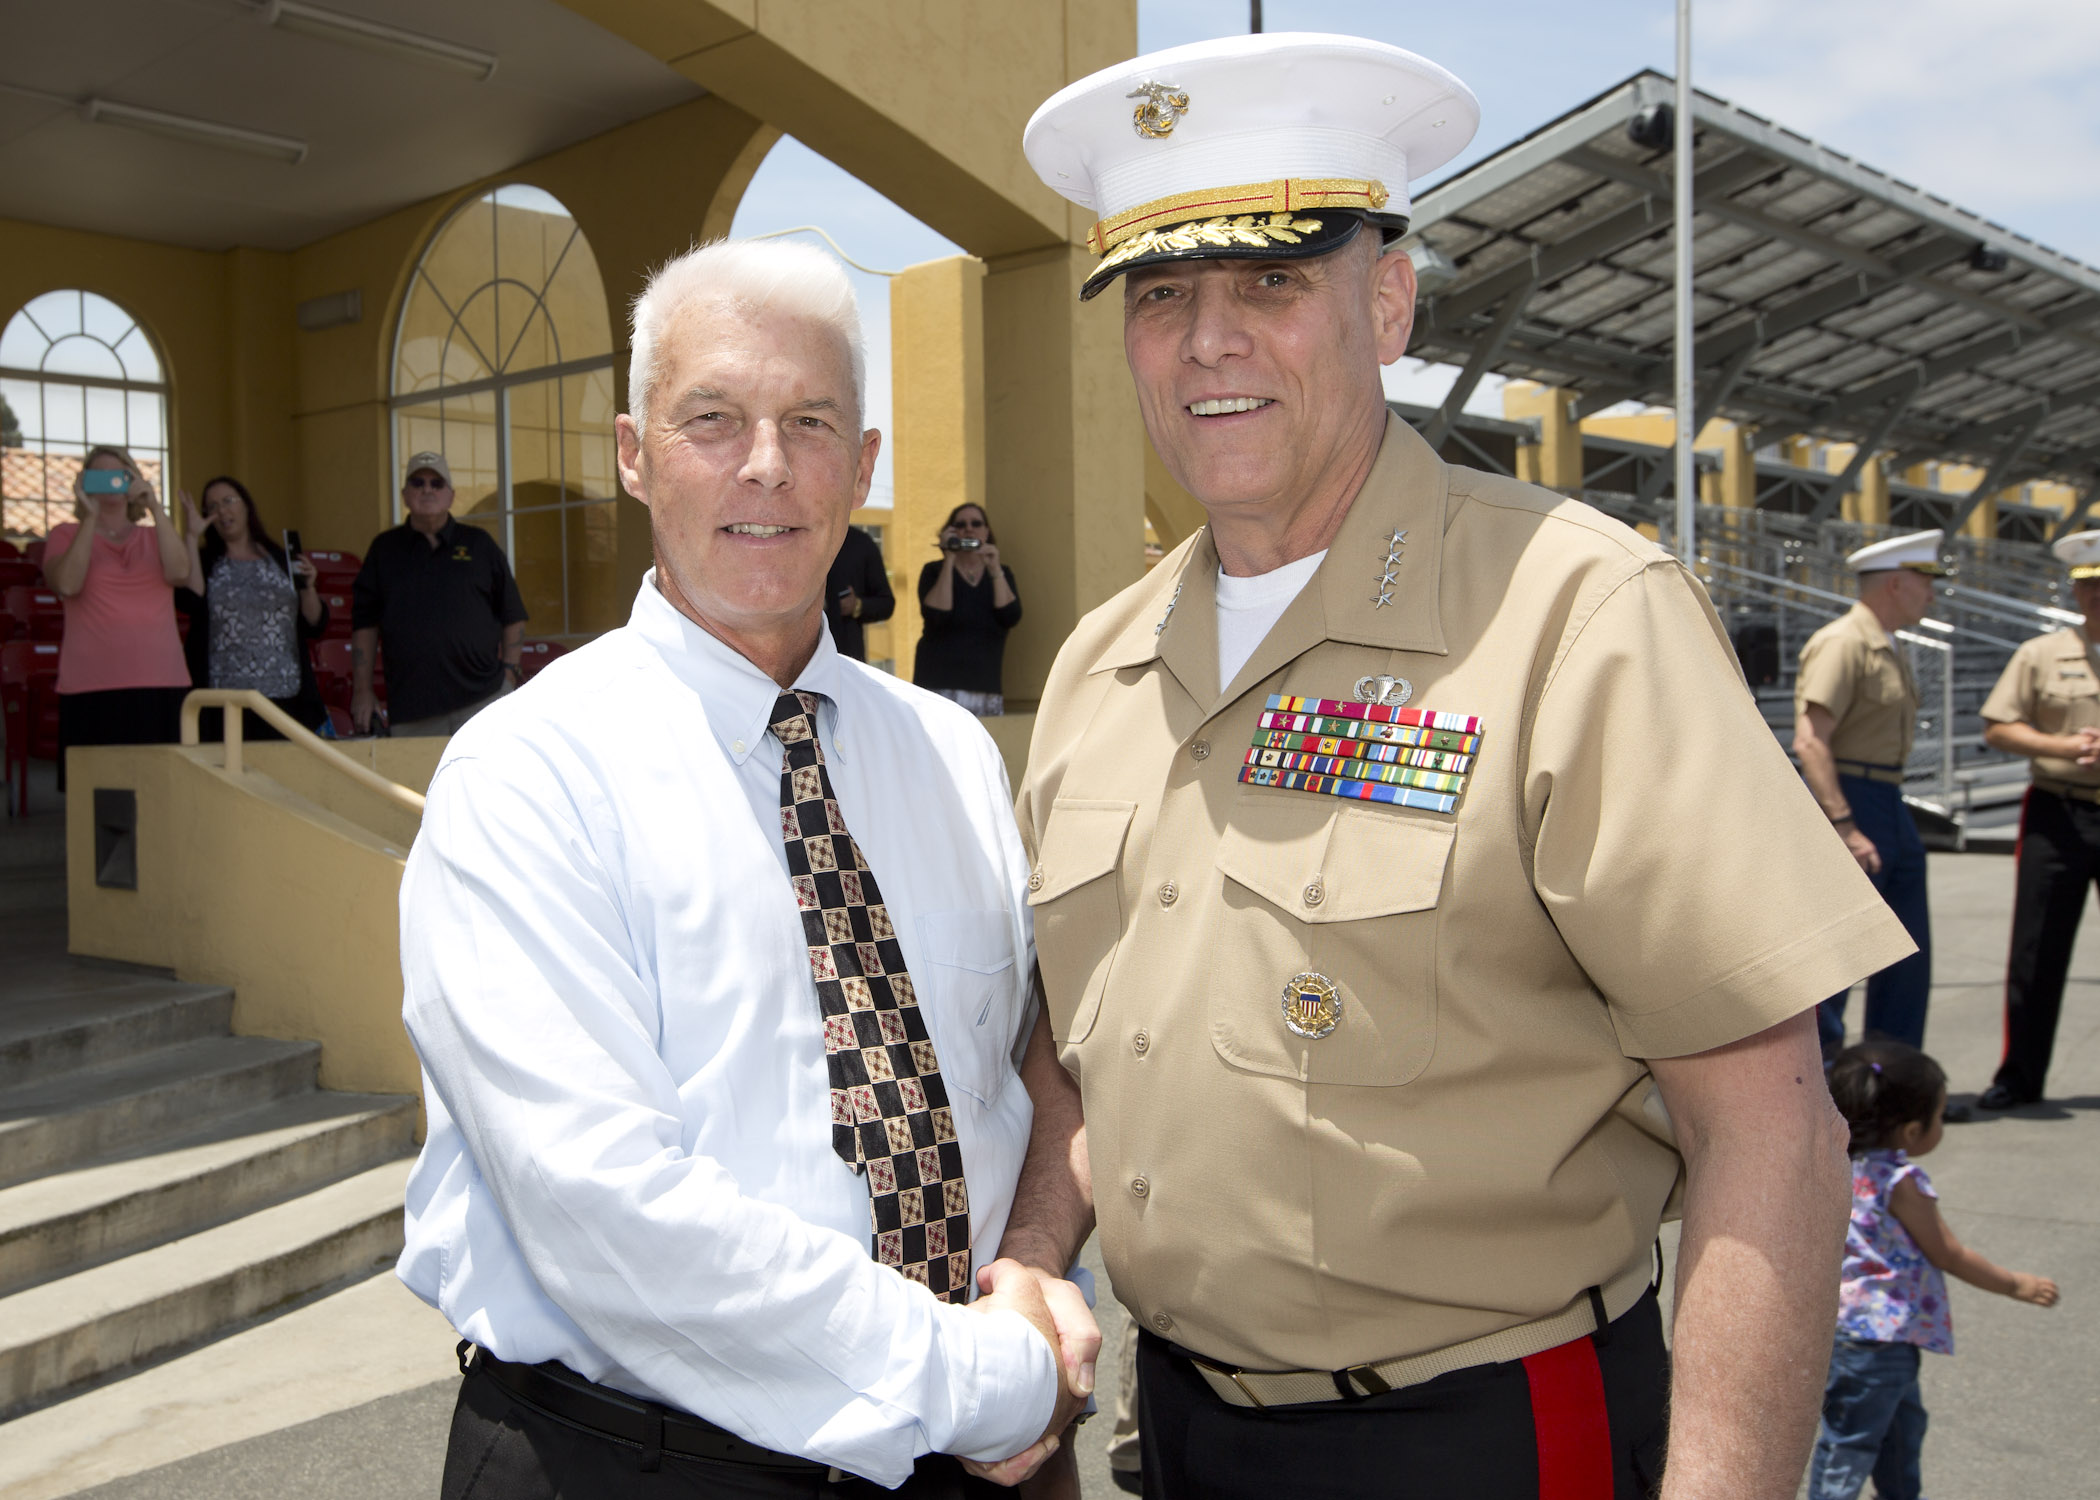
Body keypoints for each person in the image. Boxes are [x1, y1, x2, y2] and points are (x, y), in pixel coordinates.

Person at [1002, 32, 1916, 1500]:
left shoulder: (1577, 616)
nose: (1208, 340)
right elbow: (1084, 1049)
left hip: (1482, 1438)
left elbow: (1768, 1126)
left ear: (1389, 299)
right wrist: (1033, 1256)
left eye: (1270, 283)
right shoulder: (1100, 665)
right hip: (1174, 1434)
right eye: (1161, 295)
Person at [396, 238, 1095, 1498]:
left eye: (811, 422)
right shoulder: (524, 777)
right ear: (632, 453)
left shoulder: (951, 754)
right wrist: (987, 1378)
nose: (765, 465)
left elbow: (1037, 1054)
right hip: (646, 1461)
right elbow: (605, 1215)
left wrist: (1037, 1261)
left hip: (984, 1453)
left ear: (865, 467)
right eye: (711, 418)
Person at [1808, 1041, 2057, 1500]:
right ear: (1912, 1131)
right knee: (1855, 1442)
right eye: (1939, 1117)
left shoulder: (1832, 1170)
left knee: (1895, 1428)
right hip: (1882, 1342)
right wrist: (2015, 1284)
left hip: (1843, 1333)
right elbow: (1948, 1253)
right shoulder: (1901, 1183)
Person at [1793, 533, 1942, 1057]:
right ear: (1897, 583)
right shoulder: (1844, 642)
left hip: (1887, 798)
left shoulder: (1888, 643)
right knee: (1839, 955)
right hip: (1852, 798)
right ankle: (1826, 1083)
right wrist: (1845, 825)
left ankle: (1895, 1081)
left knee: (1907, 952)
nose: (1933, 595)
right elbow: (1811, 741)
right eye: (1926, 583)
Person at [1973, 528, 2100, 1109]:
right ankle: (2019, 1078)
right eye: (2087, 584)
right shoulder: (2041, 654)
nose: (2096, 593)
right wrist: (2063, 746)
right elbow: (1998, 726)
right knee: (2037, 949)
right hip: (2059, 812)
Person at [41, 444, 194, 788]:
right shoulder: (66, 534)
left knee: (161, 792)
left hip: (161, 682)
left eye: (120, 474)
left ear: (133, 479)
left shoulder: (155, 535)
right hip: (91, 685)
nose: (111, 482)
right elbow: (67, 583)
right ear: (85, 483)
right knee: (95, 799)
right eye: (100, 476)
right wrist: (90, 515)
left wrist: (154, 506)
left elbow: (180, 573)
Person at [349, 451, 527, 737]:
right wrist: (362, 691)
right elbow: (365, 627)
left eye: (436, 483)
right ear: (406, 495)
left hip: (484, 701)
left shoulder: (479, 545)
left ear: (451, 495)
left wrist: (508, 676)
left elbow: (513, 615)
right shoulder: (384, 550)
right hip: (413, 710)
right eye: (418, 483)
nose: (427, 490)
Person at [176, 475, 329, 739]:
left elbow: (314, 624)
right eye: (212, 507)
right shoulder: (205, 561)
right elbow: (191, 600)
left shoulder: (280, 558)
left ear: (246, 506)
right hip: (225, 701)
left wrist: (309, 587)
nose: (222, 511)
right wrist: (191, 536)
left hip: (286, 695)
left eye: (228, 501)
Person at [914, 504, 1020, 715]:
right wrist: (950, 558)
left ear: (986, 531)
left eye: (976, 524)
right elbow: (937, 615)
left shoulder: (1001, 573)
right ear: (950, 532)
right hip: (937, 686)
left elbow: (1010, 616)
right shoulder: (934, 571)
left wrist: (995, 568)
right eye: (960, 525)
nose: (968, 529)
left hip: (985, 687)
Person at [825, 521, 896, 663]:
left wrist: (857, 605)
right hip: (794, 656)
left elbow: (886, 603)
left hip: (845, 655)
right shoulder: (794, 537)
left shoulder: (860, 543)